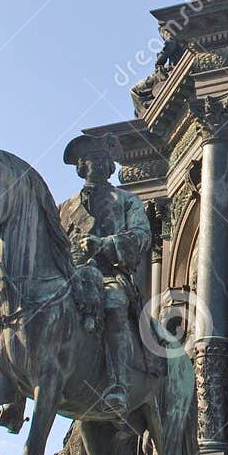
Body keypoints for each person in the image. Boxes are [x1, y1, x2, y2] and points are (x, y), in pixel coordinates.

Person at [56, 134, 152, 413]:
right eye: (91, 159)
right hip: (70, 279)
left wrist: (105, 244)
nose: (98, 164)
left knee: (114, 303)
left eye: (103, 159)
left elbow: (142, 236)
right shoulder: (65, 208)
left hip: (110, 275)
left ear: (110, 166)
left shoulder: (126, 200)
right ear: (81, 166)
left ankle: (118, 383)